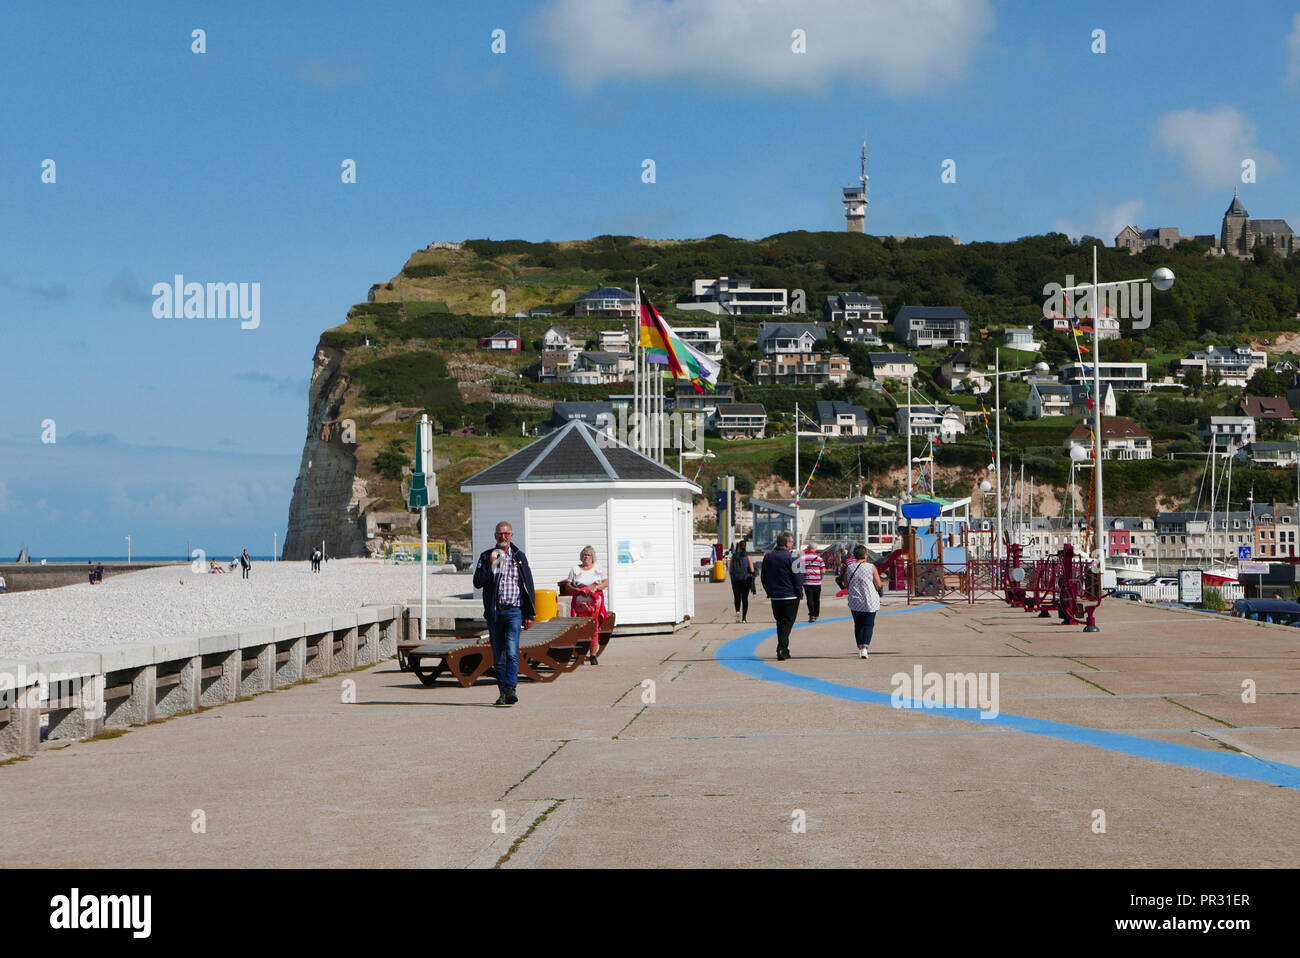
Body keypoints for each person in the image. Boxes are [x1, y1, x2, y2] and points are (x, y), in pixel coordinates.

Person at [473, 521, 535, 706]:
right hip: (495, 612)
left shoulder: (518, 557)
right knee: (498, 654)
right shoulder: (486, 556)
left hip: (514, 611)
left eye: (506, 534)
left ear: (511, 536)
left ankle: (511, 689)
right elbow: (478, 582)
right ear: (495, 536)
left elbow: (528, 586)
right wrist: (491, 565)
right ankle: (503, 691)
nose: (503, 537)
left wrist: (529, 614)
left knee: (512, 652)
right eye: (500, 534)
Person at [760, 531, 803, 661]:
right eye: (791, 542)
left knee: (780, 623)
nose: (793, 544)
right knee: (787, 623)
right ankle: (781, 648)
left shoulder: (768, 557)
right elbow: (798, 577)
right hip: (789, 596)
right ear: (786, 543)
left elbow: (764, 577)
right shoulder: (793, 558)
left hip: (775, 596)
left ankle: (784, 649)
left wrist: (769, 590)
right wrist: (799, 592)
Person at [565, 545, 608, 664]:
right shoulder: (575, 569)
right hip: (580, 602)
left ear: (592, 557)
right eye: (584, 554)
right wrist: (578, 590)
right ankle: (580, 655)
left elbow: (605, 583)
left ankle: (593, 655)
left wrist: (596, 588)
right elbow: (568, 585)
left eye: (588, 555)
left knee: (594, 627)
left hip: (595, 602)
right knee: (580, 628)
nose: (586, 557)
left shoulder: (598, 568)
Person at [844, 545, 883, 659]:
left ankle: (860, 648)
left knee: (858, 625)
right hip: (869, 600)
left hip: (855, 600)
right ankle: (865, 648)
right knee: (868, 625)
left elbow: (846, 584)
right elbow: (878, 584)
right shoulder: (871, 567)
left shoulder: (849, 567)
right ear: (865, 555)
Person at [729, 540, 755, 623]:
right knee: (744, 598)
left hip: (736, 580)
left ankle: (737, 611)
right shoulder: (748, 557)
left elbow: (730, 570)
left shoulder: (733, 556)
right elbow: (752, 569)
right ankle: (744, 618)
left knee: (737, 597)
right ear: (745, 547)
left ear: (739, 547)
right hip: (745, 580)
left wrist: (732, 579)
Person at [800, 543, 826, 622]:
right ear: (815, 549)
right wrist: (820, 578)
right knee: (816, 599)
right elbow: (823, 571)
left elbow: (801, 569)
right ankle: (816, 614)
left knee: (809, 599)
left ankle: (812, 615)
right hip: (817, 582)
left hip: (807, 582)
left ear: (808, 548)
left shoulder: (803, 558)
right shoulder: (819, 558)